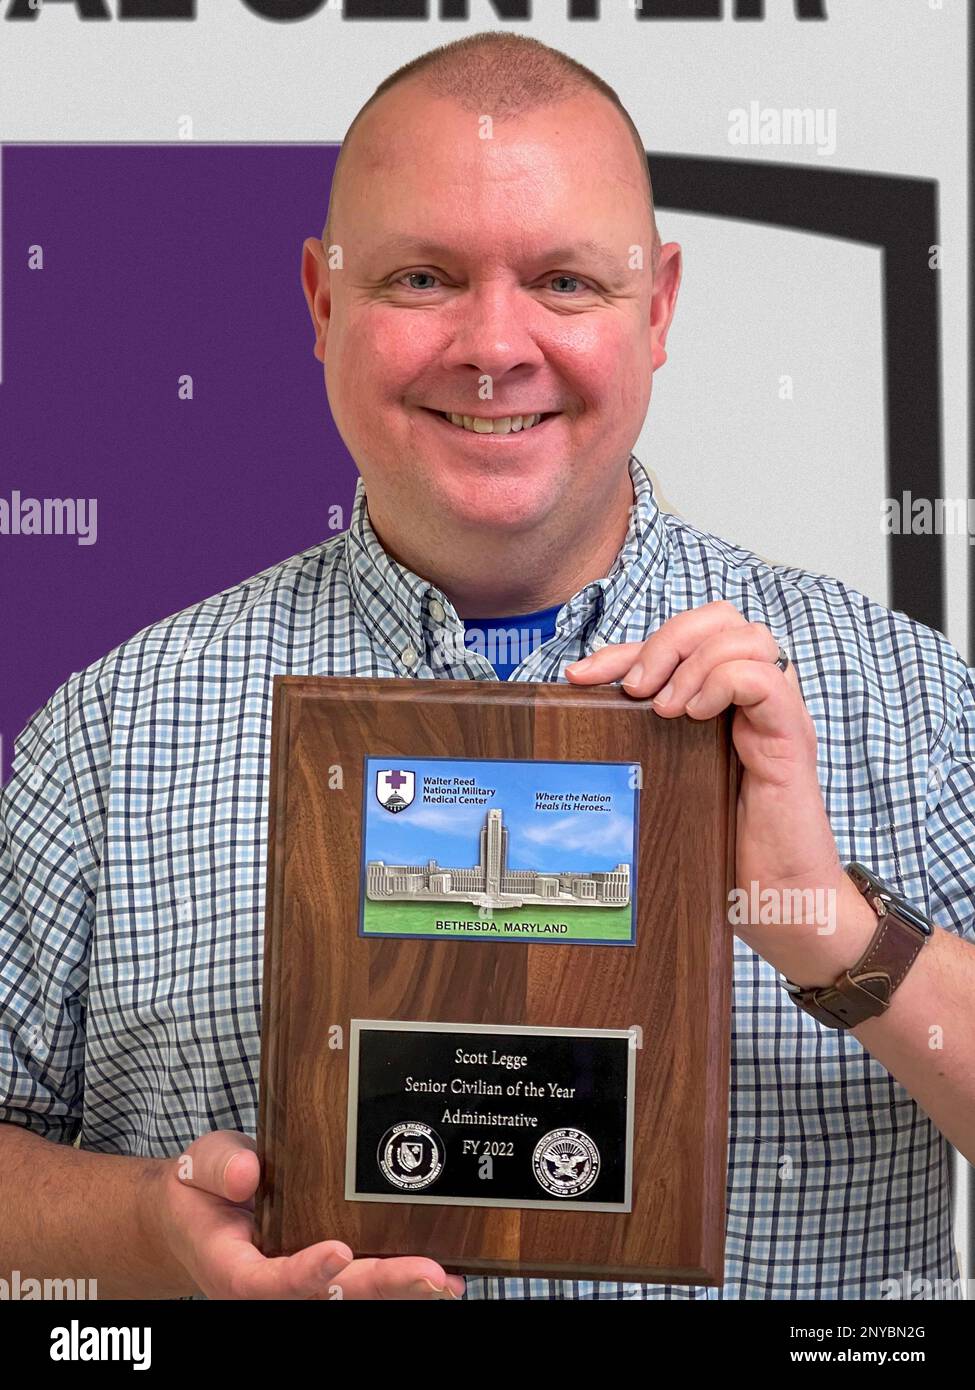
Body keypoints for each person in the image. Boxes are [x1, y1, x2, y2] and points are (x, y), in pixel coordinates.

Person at [1, 31, 973, 1302]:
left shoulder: (905, 701)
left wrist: (831, 922)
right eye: (422, 277)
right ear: (323, 300)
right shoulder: (110, 732)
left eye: (565, 281)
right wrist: (150, 1231)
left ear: (659, 305)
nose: (494, 344)